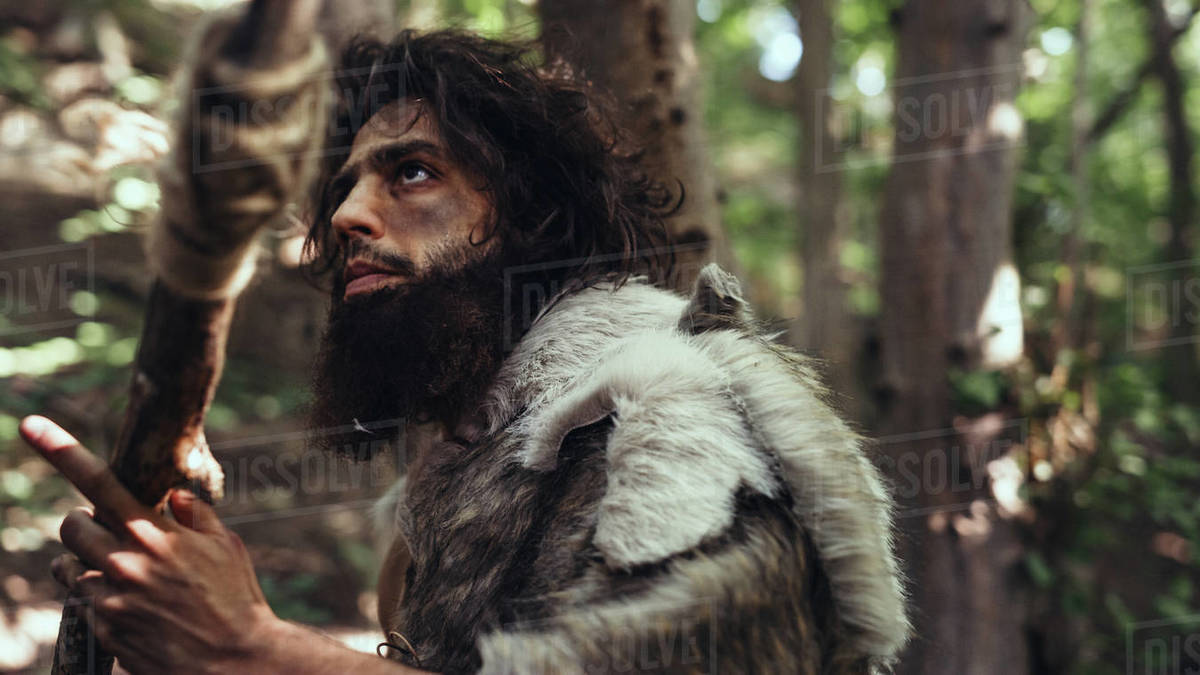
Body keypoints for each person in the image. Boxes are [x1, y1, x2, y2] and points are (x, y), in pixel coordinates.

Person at [21, 18, 908, 675]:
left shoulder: (673, 412)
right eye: (346, 186)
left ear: (532, 217)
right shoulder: (452, 480)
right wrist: (181, 619)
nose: (347, 215)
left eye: (412, 172)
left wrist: (254, 645)